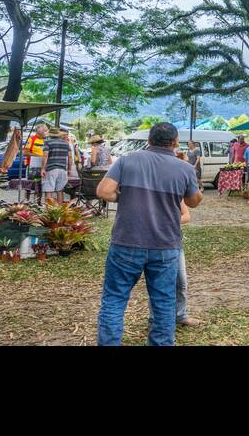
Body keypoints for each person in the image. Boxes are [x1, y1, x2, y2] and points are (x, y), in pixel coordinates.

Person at [94, 122, 202, 346]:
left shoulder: (127, 160)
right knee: (164, 303)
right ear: (174, 143)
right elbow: (193, 201)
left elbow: (104, 191)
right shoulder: (184, 168)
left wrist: (121, 197)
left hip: (126, 242)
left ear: (149, 140)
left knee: (114, 300)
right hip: (165, 245)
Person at [175, 200, 201, 329]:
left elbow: (186, 215)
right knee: (158, 284)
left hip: (174, 243)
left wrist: (169, 221)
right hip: (154, 245)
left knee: (181, 281)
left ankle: (181, 315)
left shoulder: (174, 192)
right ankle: (155, 318)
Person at [42, 127, 74, 203]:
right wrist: (69, 169)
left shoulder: (47, 142)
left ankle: (48, 210)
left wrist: (43, 168)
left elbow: (45, 156)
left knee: (48, 190)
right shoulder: (66, 143)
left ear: (50, 135)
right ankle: (60, 210)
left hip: (51, 168)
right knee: (60, 190)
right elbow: (70, 157)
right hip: (63, 169)